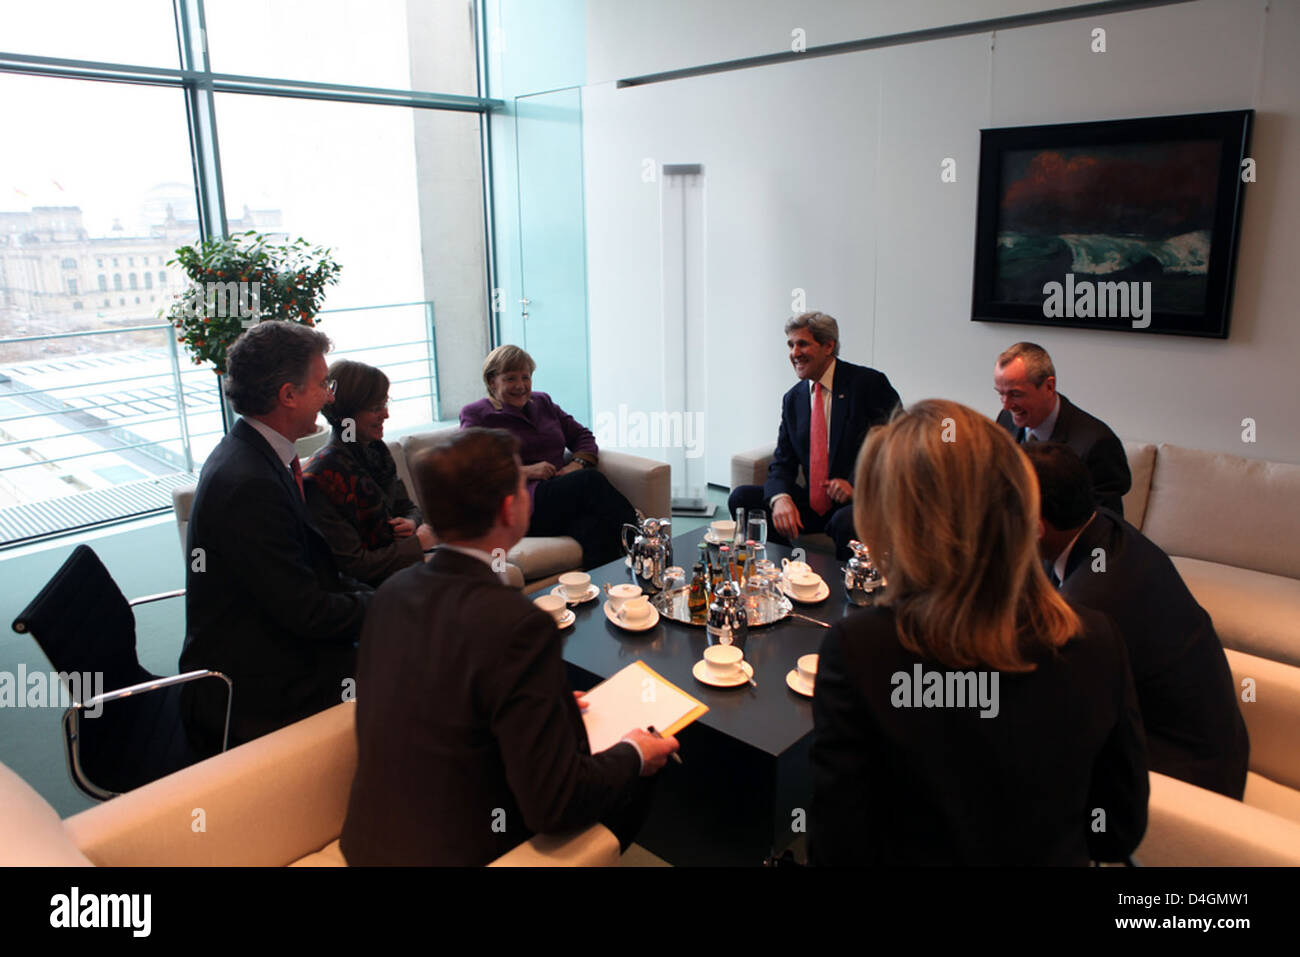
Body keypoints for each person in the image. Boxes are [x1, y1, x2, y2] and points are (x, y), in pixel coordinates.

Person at [810, 400, 1148, 865]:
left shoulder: (860, 650)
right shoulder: (1097, 640)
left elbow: (836, 848)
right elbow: (1118, 831)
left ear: (895, 524)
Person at [339, 428, 678, 865]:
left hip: (373, 843)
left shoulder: (391, 593)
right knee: (646, 761)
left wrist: (543, 706)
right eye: (523, 486)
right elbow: (556, 803)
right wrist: (634, 752)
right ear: (508, 508)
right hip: (468, 844)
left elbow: (442, 695)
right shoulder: (518, 625)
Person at [179, 321, 370, 754]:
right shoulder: (250, 484)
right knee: (418, 663)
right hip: (254, 686)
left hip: (269, 639)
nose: (330, 396)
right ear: (288, 395)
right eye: (322, 384)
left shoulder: (254, 453)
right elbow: (310, 613)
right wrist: (389, 603)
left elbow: (306, 576)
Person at [1026, 442, 1248, 799]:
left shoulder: (1088, 604)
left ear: (1036, 528)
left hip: (1188, 781)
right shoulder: (1106, 530)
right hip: (1210, 743)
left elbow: (1054, 708)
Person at [728, 312, 900, 559]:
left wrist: (855, 484)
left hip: (860, 501)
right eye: (790, 345)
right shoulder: (793, 399)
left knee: (846, 522)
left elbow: (897, 442)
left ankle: (848, 591)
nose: (794, 353)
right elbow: (782, 461)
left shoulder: (868, 383)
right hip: (814, 502)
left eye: (802, 344)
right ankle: (786, 573)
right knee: (742, 498)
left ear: (828, 346)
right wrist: (780, 498)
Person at [459, 345, 637, 569]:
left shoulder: (542, 402)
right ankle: (644, 544)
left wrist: (577, 463)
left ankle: (611, 592)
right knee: (591, 481)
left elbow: (582, 436)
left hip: (558, 496)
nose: (521, 386)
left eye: (526, 377)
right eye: (511, 378)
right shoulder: (477, 414)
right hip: (519, 505)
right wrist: (526, 471)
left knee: (593, 529)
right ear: (492, 381)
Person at [302, 360, 435, 586]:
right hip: (369, 590)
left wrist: (411, 522)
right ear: (346, 417)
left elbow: (408, 507)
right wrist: (418, 543)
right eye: (375, 408)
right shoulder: (321, 476)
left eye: (385, 403)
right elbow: (355, 565)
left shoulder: (376, 452)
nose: (386, 415)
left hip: (404, 567)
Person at [993, 341, 1131, 515]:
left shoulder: (1097, 443)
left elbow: (1104, 524)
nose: (1006, 406)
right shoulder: (1006, 419)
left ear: (1049, 386)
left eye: (1016, 394)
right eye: (1001, 393)